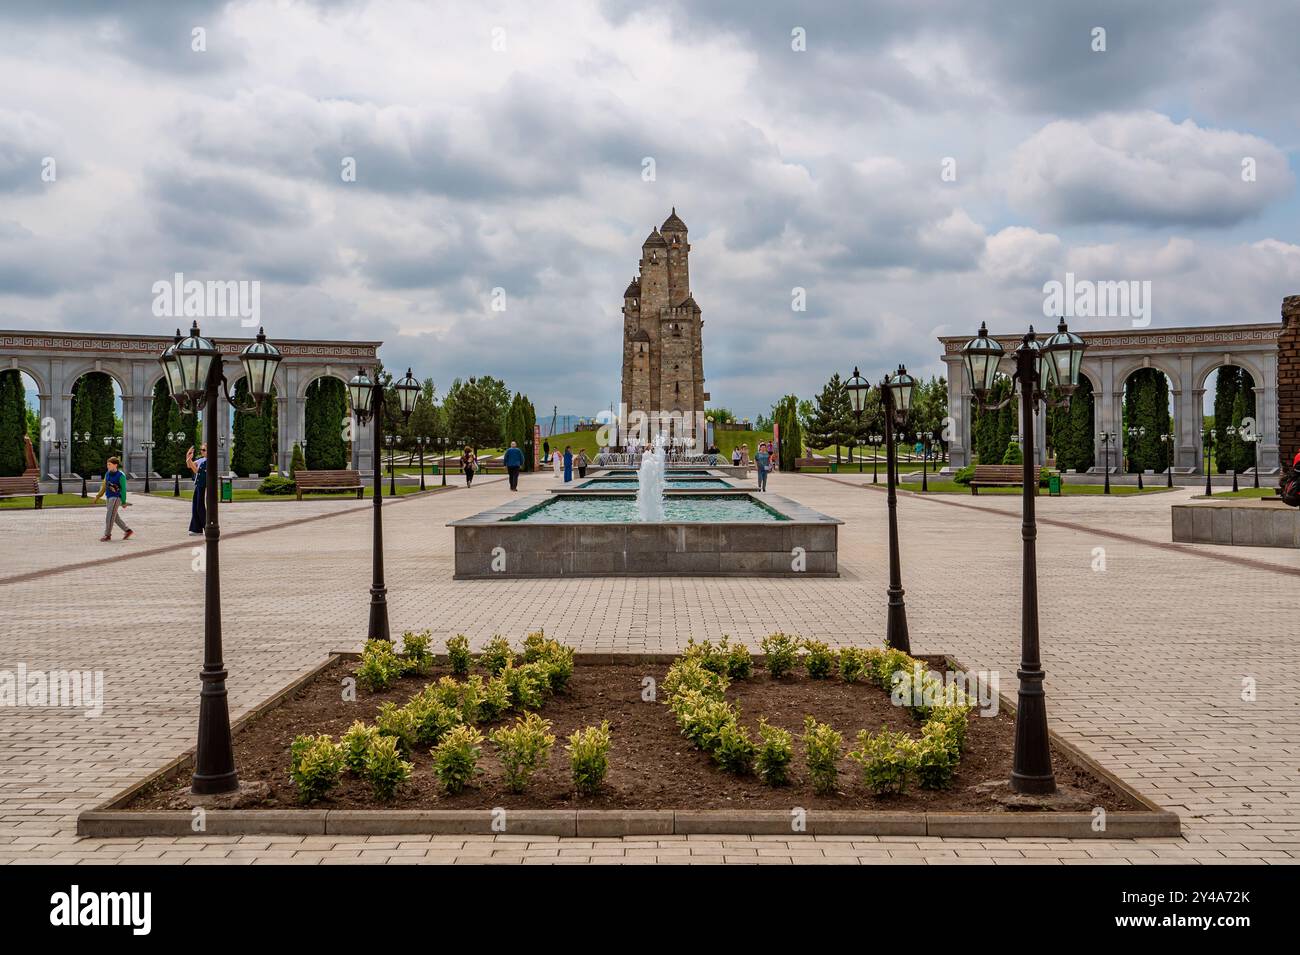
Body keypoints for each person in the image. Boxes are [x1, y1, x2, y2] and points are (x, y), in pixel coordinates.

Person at [94, 456, 133, 541]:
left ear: (115, 465)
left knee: (109, 516)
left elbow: (123, 489)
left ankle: (107, 535)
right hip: (108, 497)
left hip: (116, 498)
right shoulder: (107, 474)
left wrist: (123, 501)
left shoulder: (121, 475)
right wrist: (98, 496)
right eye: (107, 464)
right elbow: (104, 486)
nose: (108, 466)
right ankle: (128, 530)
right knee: (114, 517)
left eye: (109, 464)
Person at [186, 443, 207, 536]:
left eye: (204, 450)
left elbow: (196, 470)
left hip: (203, 486)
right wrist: (188, 456)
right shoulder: (202, 460)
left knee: (200, 507)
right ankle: (196, 529)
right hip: (198, 485)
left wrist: (189, 460)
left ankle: (207, 527)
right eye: (201, 450)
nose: (202, 451)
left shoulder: (209, 461)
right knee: (195, 506)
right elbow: (189, 465)